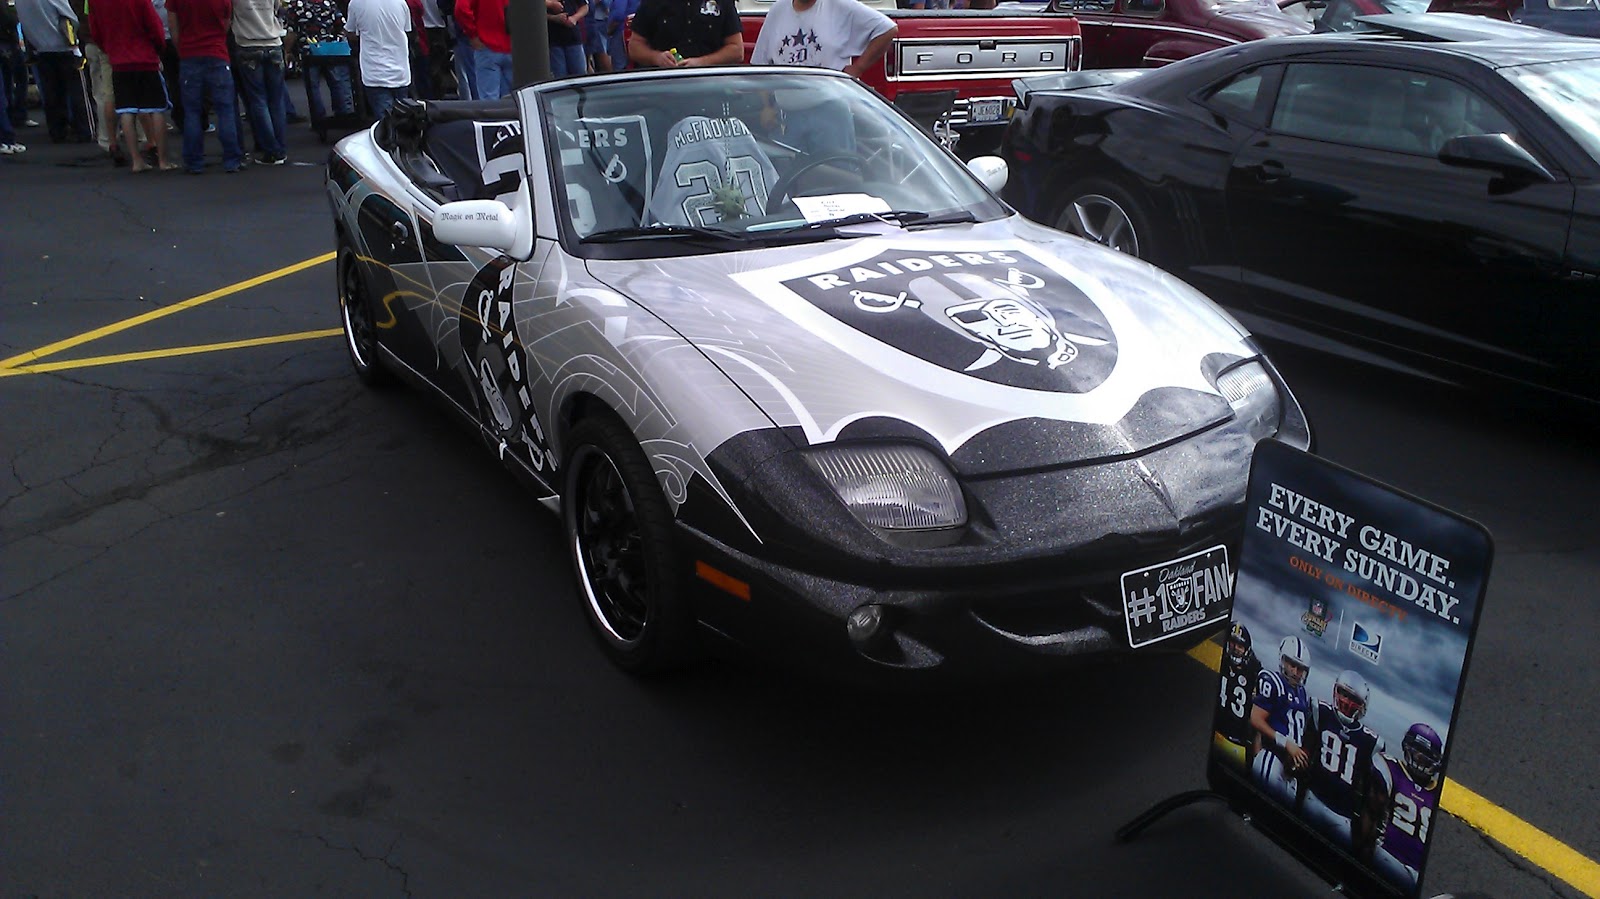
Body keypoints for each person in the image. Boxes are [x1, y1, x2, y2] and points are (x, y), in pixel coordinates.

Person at [1299, 670, 1386, 849]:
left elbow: (1369, 788)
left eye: (1352, 698)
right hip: (1313, 796)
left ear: (1362, 705)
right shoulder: (1321, 711)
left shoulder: (1371, 741)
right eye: (1343, 694)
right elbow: (1306, 749)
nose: (1346, 701)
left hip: (1343, 814)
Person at [90, 0, 178, 170]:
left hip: (118, 60)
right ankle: (163, 160)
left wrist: (110, 49)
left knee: (126, 110)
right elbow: (155, 27)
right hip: (145, 58)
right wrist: (159, 49)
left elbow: (96, 32)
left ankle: (136, 160)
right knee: (156, 108)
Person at [1359, 722, 1444, 890]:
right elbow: (1370, 814)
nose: (1420, 757)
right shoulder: (1391, 769)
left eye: (1427, 754)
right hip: (1386, 855)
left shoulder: (1438, 793)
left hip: (1417, 872)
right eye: (1418, 751)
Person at [168, 0, 245, 172]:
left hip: (190, 53)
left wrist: (182, 49)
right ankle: (232, 158)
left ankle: (194, 161)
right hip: (217, 53)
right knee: (225, 110)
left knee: (192, 111)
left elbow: (173, 26)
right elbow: (226, 23)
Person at [16, 0, 94, 142]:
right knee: (78, 91)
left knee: (51, 93)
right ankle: (85, 130)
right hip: (65, 47)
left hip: (40, 47)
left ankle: (57, 131)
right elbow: (70, 18)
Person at [1250, 634, 1312, 807]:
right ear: (1283, 661)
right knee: (1260, 806)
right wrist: (1286, 743)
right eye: (1293, 665)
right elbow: (1255, 719)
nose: (1296, 672)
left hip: (1289, 770)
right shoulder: (1274, 681)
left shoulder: (1303, 694)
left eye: (1301, 668)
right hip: (1273, 757)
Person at [231, 0, 287, 163]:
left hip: (248, 43)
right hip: (273, 42)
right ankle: (280, 147)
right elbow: (279, 8)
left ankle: (271, 149)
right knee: (276, 101)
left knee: (258, 100)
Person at [282, 0, 353, 120]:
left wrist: (287, 51)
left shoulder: (296, 5)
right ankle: (343, 114)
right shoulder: (328, 3)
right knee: (336, 83)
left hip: (309, 51)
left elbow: (292, 32)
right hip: (330, 49)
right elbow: (341, 25)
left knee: (313, 87)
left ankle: (319, 119)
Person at [626, 0, 741, 70]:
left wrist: (702, 62)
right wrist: (656, 58)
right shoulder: (653, 2)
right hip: (662, 84)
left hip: (709, 84)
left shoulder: (722, 2)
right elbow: (635, 47)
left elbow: (736, 50)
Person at [345, 0, 410, 117]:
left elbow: (350, 32)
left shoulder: (356, 3)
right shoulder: (401, 2)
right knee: (404, 119)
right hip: (401, 72)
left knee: (384, 122)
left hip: (375, 74)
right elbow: (406, 30)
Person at [1214, 622, 1262, 770]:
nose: (1235, 649)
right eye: (1233, 643)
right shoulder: (1222, 661)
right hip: (1216, 730)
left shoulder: (1254, 674)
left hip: (1237, 742)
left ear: (1247, 649)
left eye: (1240, 646)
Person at [583, 0, 633, 73]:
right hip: (626, 27)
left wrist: (610, 28)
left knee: (618, 65)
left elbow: (618, 15)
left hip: (615, 28)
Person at [546, 0, 585, 78]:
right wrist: (554, 17)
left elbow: (585, 7)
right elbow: (534, 11)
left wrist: (574, 18)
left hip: (573, 38)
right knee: (559, 76)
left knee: (579, 76)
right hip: (553, 40)